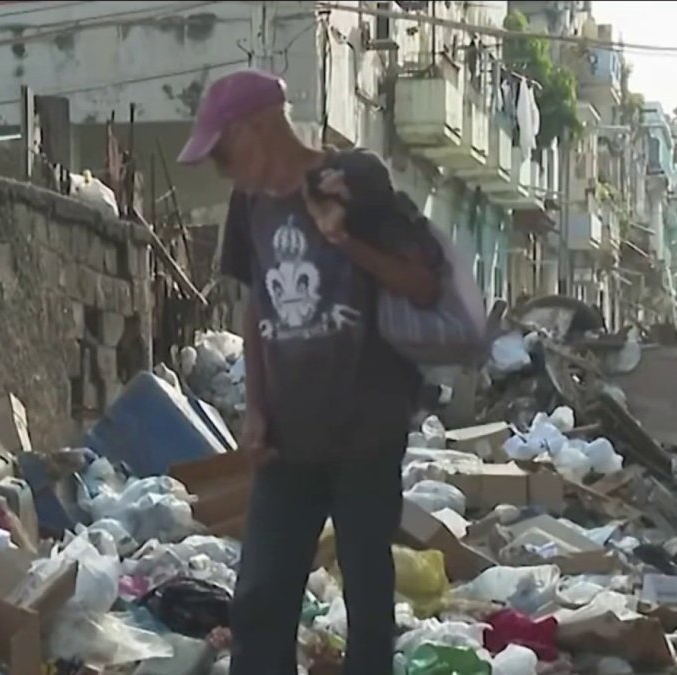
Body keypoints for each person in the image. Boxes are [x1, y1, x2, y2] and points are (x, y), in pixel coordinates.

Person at [177, 69, 441, 675]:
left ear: (258, 128)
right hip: (288, 438)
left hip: (366, 431)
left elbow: (421, 284)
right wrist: (256, 408)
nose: (222, 171)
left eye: (223, 154)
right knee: (260, 597)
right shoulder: (249, 204)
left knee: (367, 595)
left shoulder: (356, 180)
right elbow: (257, 307)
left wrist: (344, 240)